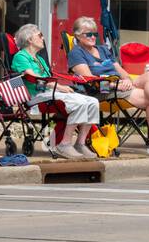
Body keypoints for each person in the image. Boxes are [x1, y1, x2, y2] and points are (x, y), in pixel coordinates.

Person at [67, 16, 149, 158]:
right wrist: (116, 86)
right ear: (78, 36)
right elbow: (90, 82)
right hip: (103, 91)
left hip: (120, 86)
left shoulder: (103, 50)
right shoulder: (76, 53)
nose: (92, 37)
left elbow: (123, 73)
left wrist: (126, 80)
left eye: (95, 33)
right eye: (88, 34)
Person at [10, 24, 101, 160]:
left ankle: (80, 144)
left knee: (93, 102)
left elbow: (48, 80)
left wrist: (61, 87)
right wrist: (59, 87)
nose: (43, 38)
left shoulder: (39, 59)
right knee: (79, 102)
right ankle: (64, 144)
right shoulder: (21, 57)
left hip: (47, 93)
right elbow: (32, 77)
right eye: (40, 35)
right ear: (29, 39)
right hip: (35, 96)